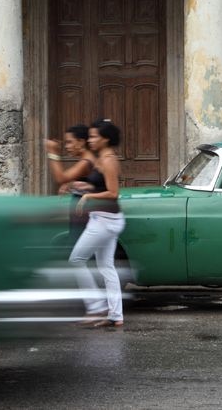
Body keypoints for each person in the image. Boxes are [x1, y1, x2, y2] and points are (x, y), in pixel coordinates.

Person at [69, 119, 126, 329]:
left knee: (76, 259)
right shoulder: (102, 157)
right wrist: (83, 185)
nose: (90, 140)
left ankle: (95, 307)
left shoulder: (109, 160)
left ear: (106, 139)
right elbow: (100, 184)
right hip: (106, 220)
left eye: (94, 136)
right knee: (106, 267)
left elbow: (113, 193)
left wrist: (88, 197)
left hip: (104, 220)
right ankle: (115, 315)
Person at [45, 125, 97, 245]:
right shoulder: (87, 159)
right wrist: (71, 184)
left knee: (79, 252)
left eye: (69, 142)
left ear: (81, 142)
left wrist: (52, 152)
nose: (66, 147)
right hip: (83, 210)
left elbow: (60, 178)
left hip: (85, 211)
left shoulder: (86, 162)